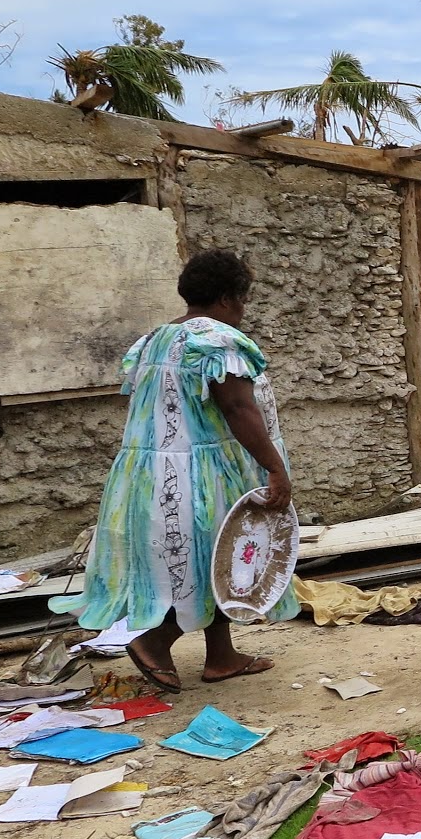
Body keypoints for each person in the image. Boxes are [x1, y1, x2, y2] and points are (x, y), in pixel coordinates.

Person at [55, 249, 294, 691]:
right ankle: (156, 641)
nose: (242, 310)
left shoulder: (156, 339)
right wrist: (275, 469)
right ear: (226, 299)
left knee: (215, 555)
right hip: (199, 474)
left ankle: (221, 657)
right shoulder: (219, 341)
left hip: (150, 474)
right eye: (242, 300)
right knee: (208, 559)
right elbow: (239, 407)